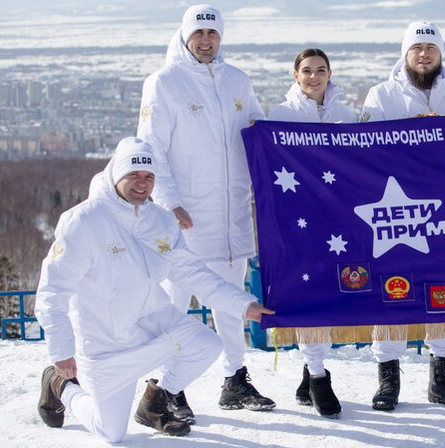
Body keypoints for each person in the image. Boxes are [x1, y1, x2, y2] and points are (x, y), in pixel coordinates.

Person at [34, 137, 274, 442]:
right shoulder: (84, 221)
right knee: (111, 433)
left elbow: (194, 273)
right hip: (104, 339)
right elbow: (52, 291)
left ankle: (154, 402)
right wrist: (62, 352)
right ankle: (60, 387)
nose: (142, 183)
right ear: (115, 174)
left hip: (151, 322)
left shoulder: (161, 220)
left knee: (206, 344)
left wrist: (242, 305)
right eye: (133, 175)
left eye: (149, 177)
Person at [136, 4, 272, 418]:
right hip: (186, 216)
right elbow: (151, 147)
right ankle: (163, 387)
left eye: (212, 35)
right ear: (185, 37)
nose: (206, 41)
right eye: (198, 34)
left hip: (231, 214)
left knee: (231, 301)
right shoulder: (165, 83)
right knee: (175, 304)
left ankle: (234, 379)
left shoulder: (237, 80)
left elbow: (259, 134)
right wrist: (169, 201)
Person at [360, 20, 445, 411]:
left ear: (440, 53)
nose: (424, 54)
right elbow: (362, 151)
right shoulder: (381, 96)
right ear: (405, 53)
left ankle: (442, 377)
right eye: (417, 48)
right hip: (395, 211)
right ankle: (388, 377)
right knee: (391, 290)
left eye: (431, 48)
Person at [267, 48, 358, 418]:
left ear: (330, 74)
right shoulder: (280, 115)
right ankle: (320, 376)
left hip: (336, 219)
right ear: (295, 75)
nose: (314, 77)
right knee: (309, 294)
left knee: (333, 294)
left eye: (321, 70)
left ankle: (309, 367)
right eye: (307, 71)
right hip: (298, 220)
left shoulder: (346, 114)